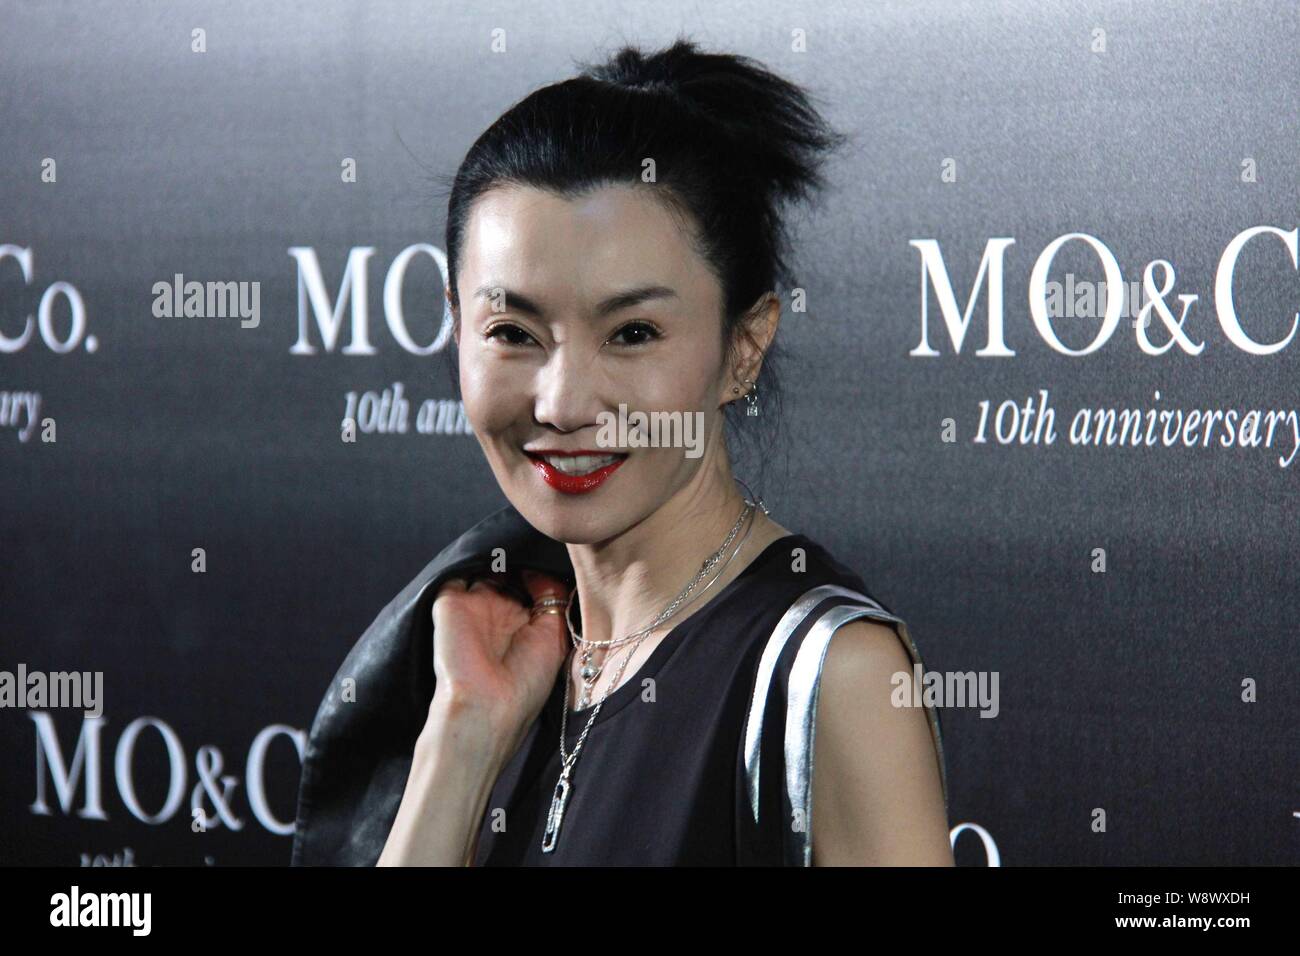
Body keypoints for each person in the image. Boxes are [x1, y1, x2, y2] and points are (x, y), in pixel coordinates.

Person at [291, 37, 951, 867]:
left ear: (743, 347)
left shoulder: (834, 680)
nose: (564, 403)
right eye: (513, 333)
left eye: (632, 333)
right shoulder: (485, 654)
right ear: (456, 324)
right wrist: (459, 745)